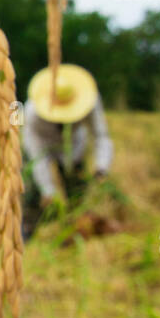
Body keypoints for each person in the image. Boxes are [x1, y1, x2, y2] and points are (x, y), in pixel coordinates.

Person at [20, 63, 113, 240]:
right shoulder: (32, 113)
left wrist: (102, 167)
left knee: (78, 194)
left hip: (74, 149)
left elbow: (101, 136)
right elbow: (37, 156)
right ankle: (28, 231)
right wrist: (48, 190)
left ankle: (76, 232)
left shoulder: (89, 101)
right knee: (32, 193)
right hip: (41, 149)